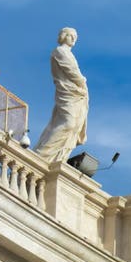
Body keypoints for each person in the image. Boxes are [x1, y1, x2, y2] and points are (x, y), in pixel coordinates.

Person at [34, 28, 89, 163]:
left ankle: (58, 157)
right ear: (64, 36)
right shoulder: (60, 51)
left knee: (74, 126)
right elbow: (72, 71)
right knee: (68, 123)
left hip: (77, 93)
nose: (73, 39)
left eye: (75, 37)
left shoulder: (69, 54)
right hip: (67, 92)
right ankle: (41, 154)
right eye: (71, 36)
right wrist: (82, 80)